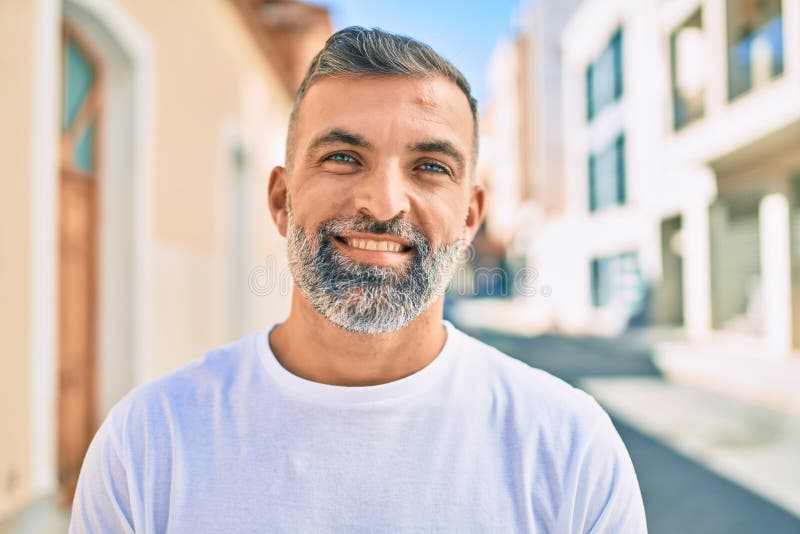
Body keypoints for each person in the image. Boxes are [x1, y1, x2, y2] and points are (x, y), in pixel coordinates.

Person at [70, 26, 647, 533]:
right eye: (343, 157)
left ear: (471, 216)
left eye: (430, 167)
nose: (383, 203)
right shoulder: (149, 445)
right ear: (280, 199)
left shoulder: (570, 449)